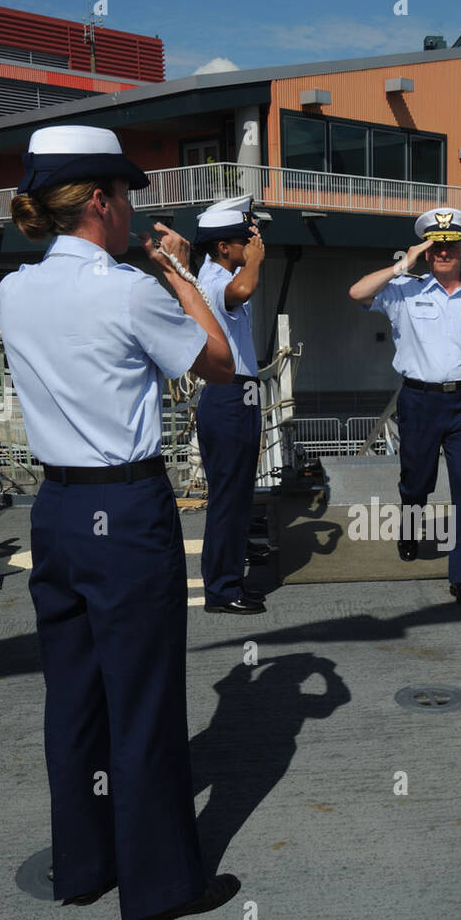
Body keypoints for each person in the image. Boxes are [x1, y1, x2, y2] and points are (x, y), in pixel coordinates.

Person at [0, 125, 241, 920]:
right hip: (126, 511)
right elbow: (216, 362)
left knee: (72, 699)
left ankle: (84, 866)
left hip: (56, 511)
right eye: (127, 194)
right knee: (142, 703)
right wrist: (175, 268)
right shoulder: (129, 288)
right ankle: (161, 886)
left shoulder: (12, 290)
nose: (134, 208)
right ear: (100, 198)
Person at [349, 208, 461, 606]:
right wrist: (405, 262)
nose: (444, 253)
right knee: (416, 482)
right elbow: (357, 292)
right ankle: (410, 526)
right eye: (436, 247)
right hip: (419, 401)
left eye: (451, 246)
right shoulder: (405, 288)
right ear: (427, 250)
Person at [193, 196, 268, 615]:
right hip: (227, 394)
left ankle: (231, 574)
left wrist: (251, 258)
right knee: (227, 496)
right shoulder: (213, 279)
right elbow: (240, 290)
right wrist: (254, 262)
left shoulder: (223, 274)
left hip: (242, 394)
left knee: (239, 493)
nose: (250, 245)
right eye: (244, 239)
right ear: (223, 246)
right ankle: (221, 590)